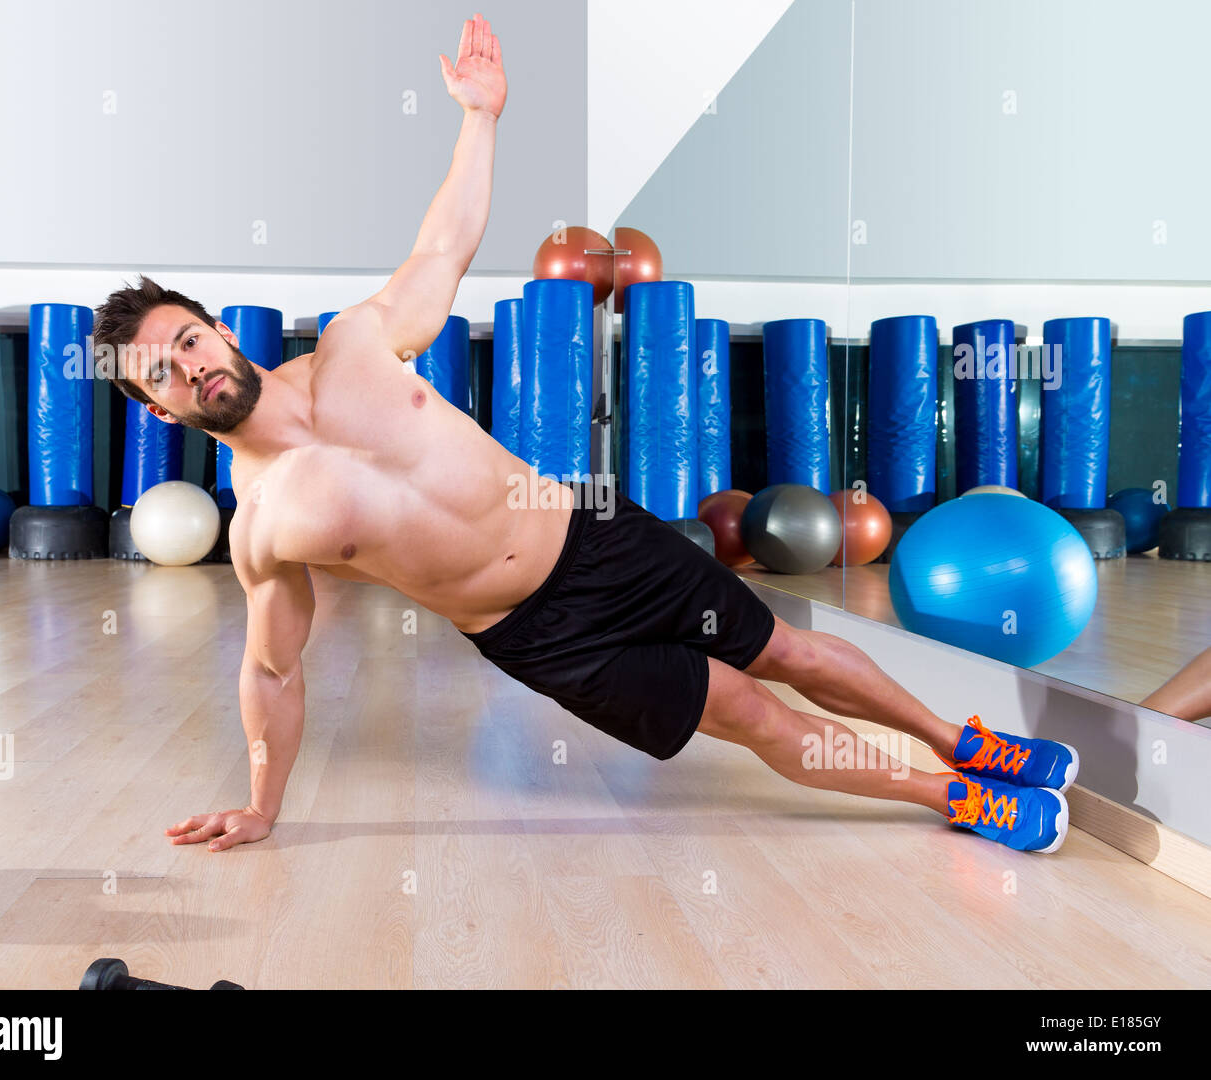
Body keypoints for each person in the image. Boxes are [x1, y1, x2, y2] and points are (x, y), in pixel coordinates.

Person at [95, 13, 1077, 856]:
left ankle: (960, 742)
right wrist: (263, 805)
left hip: (592, 534)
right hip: (545, 635)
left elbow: (443, 243)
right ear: (158, 408)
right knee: (751, 712)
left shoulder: (357, 345)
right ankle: (955, 800)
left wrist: (480, 119)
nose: (189, 366)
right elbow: (270, 669)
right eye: (162, 373)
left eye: (186, 339)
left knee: (792, 654)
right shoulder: (262, 529)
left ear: (217, 327)